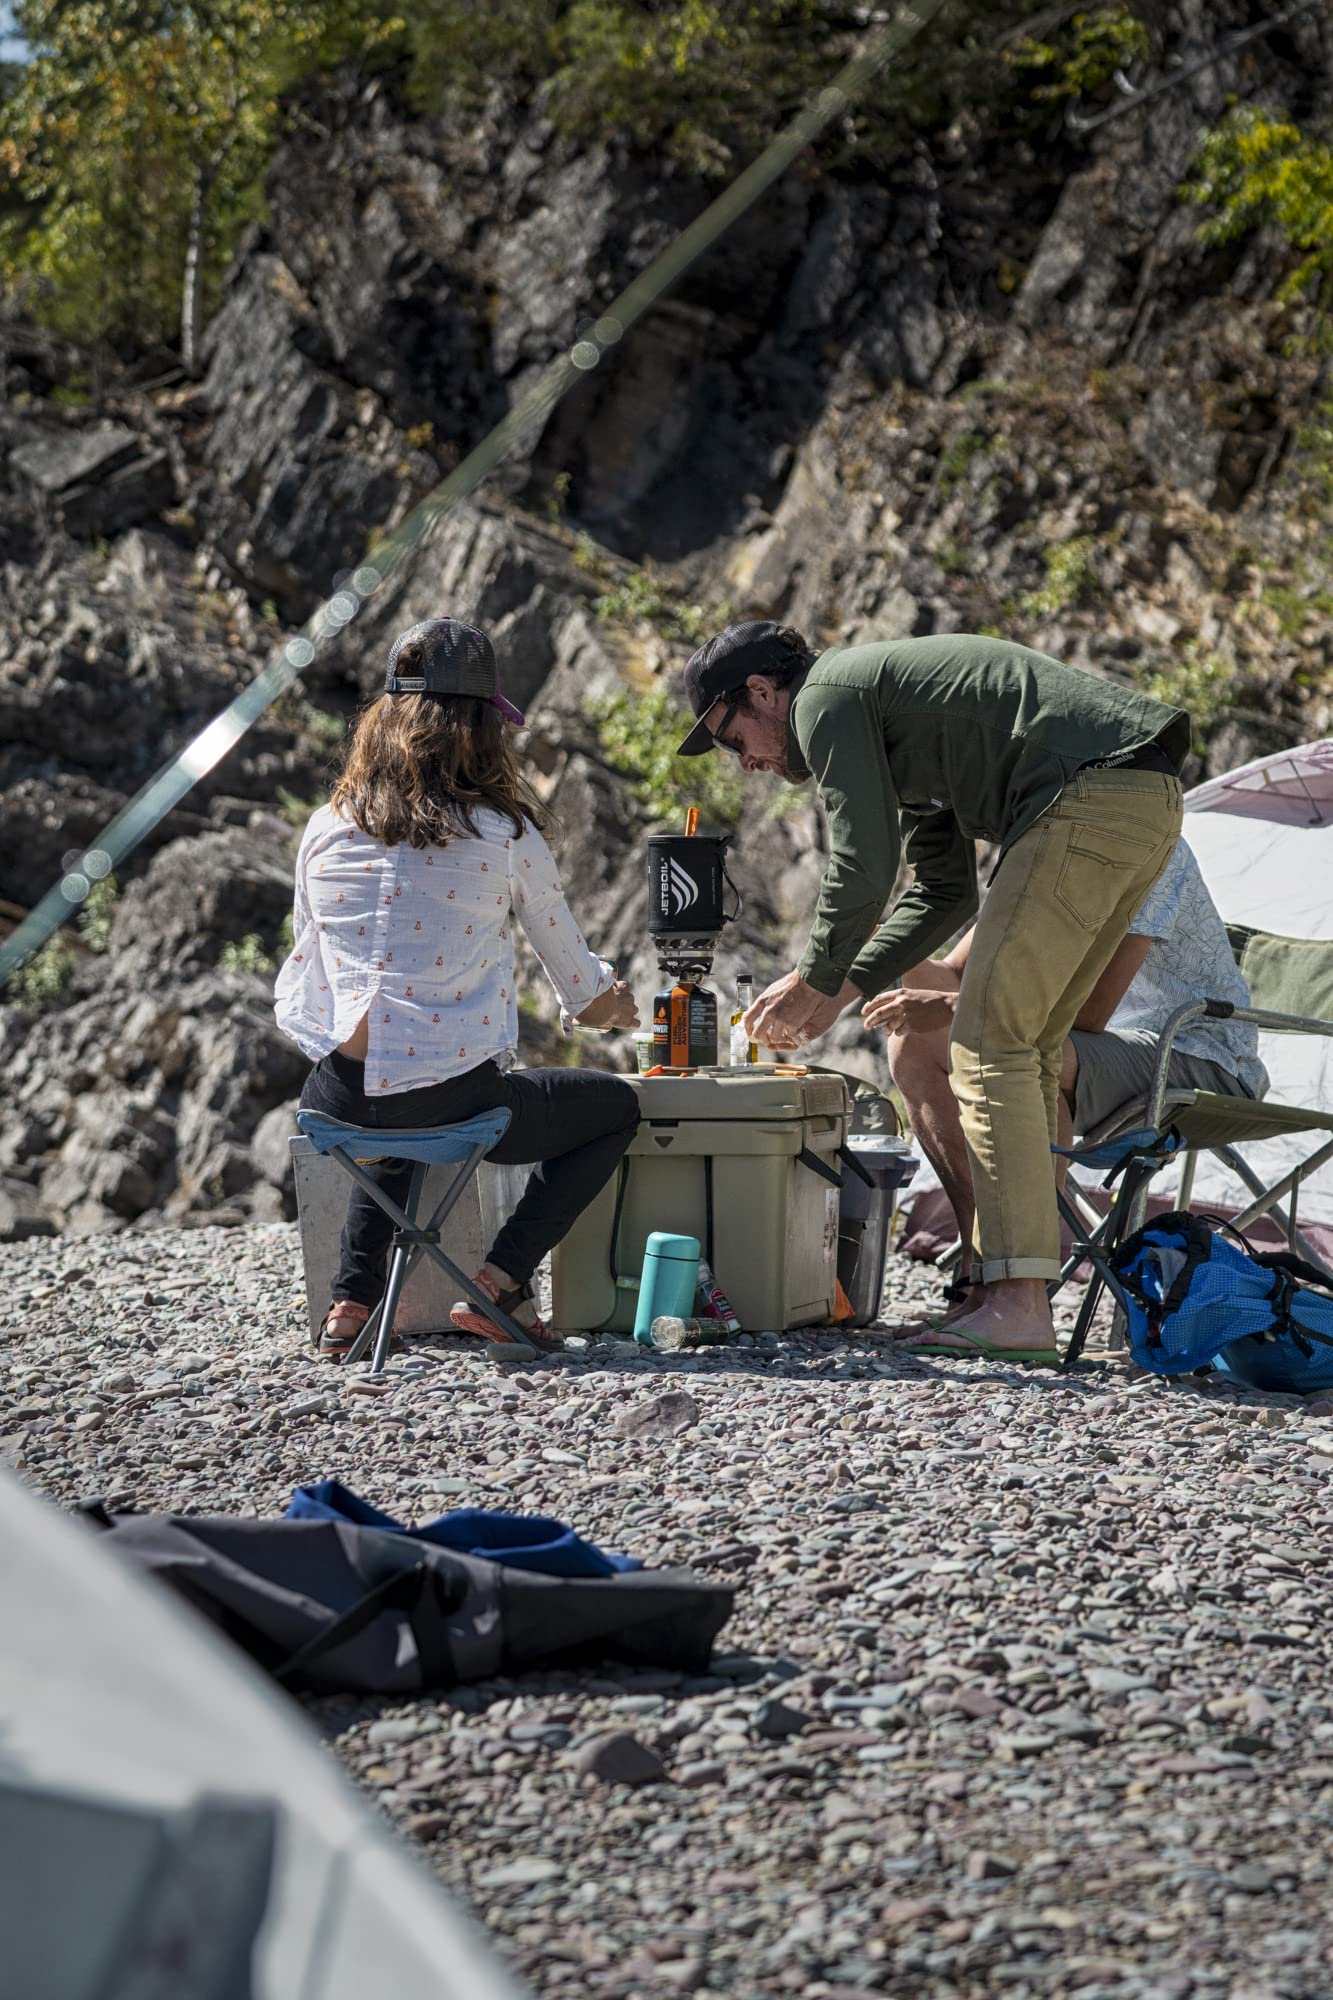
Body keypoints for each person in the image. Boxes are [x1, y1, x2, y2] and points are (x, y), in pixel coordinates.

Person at [676, 620, 1189, 1363]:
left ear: (760, 691)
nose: (745, 763)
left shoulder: (825, 698)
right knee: (1028, 1050)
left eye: (731, 738)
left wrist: (815, 976)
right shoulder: (893, 718)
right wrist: (842, 986)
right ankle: (998, 1290)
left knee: (989, 1046)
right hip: (1141, 796)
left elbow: (861, 865)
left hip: (1085, 793)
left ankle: (1017, 1305)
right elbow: (943, 892)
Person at [275, 616, 640, 1359]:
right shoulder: (501, 834)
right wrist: (615, 1005)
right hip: (450, 1100)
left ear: (381, 720)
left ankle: (351, 1300)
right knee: (612, 1109)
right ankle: (501, 1279)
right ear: (482, 728)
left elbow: (307, 960)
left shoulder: (324, 826)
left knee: (391, 1114)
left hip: (335, 1100)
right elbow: (579, 985)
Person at [869, 837, 1268, 1337]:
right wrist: (886, 940)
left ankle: (1021, 1287)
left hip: (1198, 1053)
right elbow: (951, 974)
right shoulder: (1037, 844)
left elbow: (1091, 1014)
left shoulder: (1144, 841)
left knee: (1027, 1054)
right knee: (911, 1042)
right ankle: (981, 1277)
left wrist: (957, 1008)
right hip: (1101, 1054)